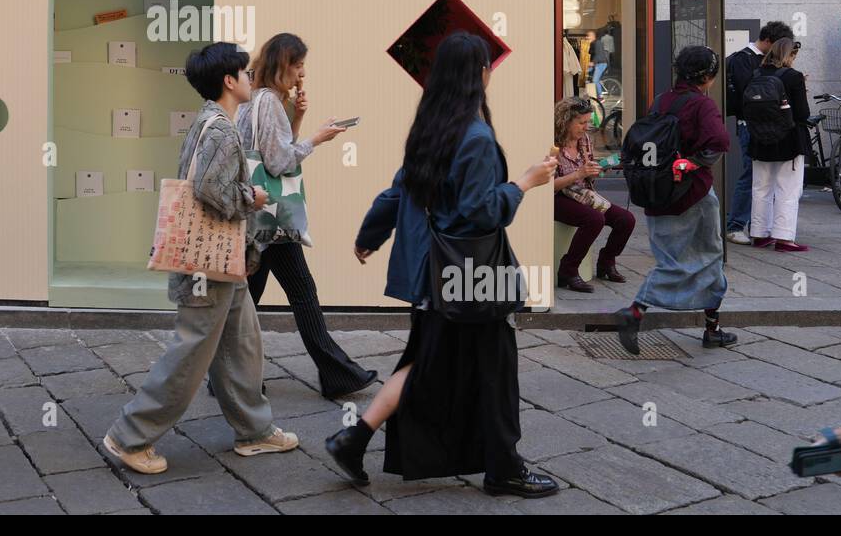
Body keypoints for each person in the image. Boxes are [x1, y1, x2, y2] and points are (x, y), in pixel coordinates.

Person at [324, 32, 560, 498]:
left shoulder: (429, 129)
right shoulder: (476, 137)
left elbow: (398, 192)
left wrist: (370, 235)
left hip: (433, 274)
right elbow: (481, 211)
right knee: (494, 372)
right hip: (474, 277)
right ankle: (504, 470)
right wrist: (524, 183)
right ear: (481, 75)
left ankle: (354, 438)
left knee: (426, 361)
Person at [103, 42, 299, 474]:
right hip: (208, 263)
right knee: (191, 352)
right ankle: (130, 437)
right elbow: (210, 190)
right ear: (229, 81)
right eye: (245, 73)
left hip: (224, 260)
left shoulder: (210, 121)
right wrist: (252, 197)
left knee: (242, 344)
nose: (251, 79)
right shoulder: (221, 131)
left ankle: (254, 431)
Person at [237, 33, 376, 399]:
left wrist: (296, 117)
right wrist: (317, 139)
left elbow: (274, 151)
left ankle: (231, 378)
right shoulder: (268, 101)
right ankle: (338, 375)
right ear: (282, 65)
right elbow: (279, 162)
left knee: (248, 299)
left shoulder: (255, 97)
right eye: (297, 65)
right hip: (273, 217)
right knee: (302, 294)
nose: (302, 73)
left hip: (259, 216)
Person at [614, 45, 733, 355]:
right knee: (706, 258)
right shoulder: (702, 105)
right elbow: (719, 142)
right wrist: (693, 162)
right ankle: (635, 312)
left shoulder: (661, 100)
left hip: (657, 191)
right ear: (707, 76)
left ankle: (711, 329)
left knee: (677, 260)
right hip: (692, 195)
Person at [553, 96, 635, 291]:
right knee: (594, 219)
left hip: (583, 194)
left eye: (588, 122)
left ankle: (606, 262)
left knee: (626, 219)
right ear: (565, 121)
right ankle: (568, 270)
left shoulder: (585, 141)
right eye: (581, 122)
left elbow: (586, 175)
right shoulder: (552, 144)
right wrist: (579, 174)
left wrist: (596, 170)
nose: (586, 127)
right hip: (557, 197)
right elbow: (549, 186)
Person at [724, 21, 793, 245]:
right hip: (750, 124)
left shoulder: (756, 60)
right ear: (769, 41)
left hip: (766, 124)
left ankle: (759, 225)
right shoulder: (743, 59)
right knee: (751, 174)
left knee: (763, 176)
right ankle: (735, 225)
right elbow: (751, 94)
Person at [746, 37, 809, 253]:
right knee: (788, 189)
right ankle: (784, 238)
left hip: (759, 139)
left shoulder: (756, 75)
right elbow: (802, 113)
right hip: (788, 140)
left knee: (760, 188)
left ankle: (759, 234)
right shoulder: (794, 76)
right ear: (788, 55)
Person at [588, 28, 610, 99]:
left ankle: (600, 97)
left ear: (594, 36)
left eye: (589, 36)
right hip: (597, 63)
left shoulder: (597, 43)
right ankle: (590, 93)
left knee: (595, 80)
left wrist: (592, 62)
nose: (587, 37)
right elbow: (591, 54)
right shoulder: (592, 43)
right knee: (587, 74)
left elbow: (598, 55)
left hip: (601, 63)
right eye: (587, 36)